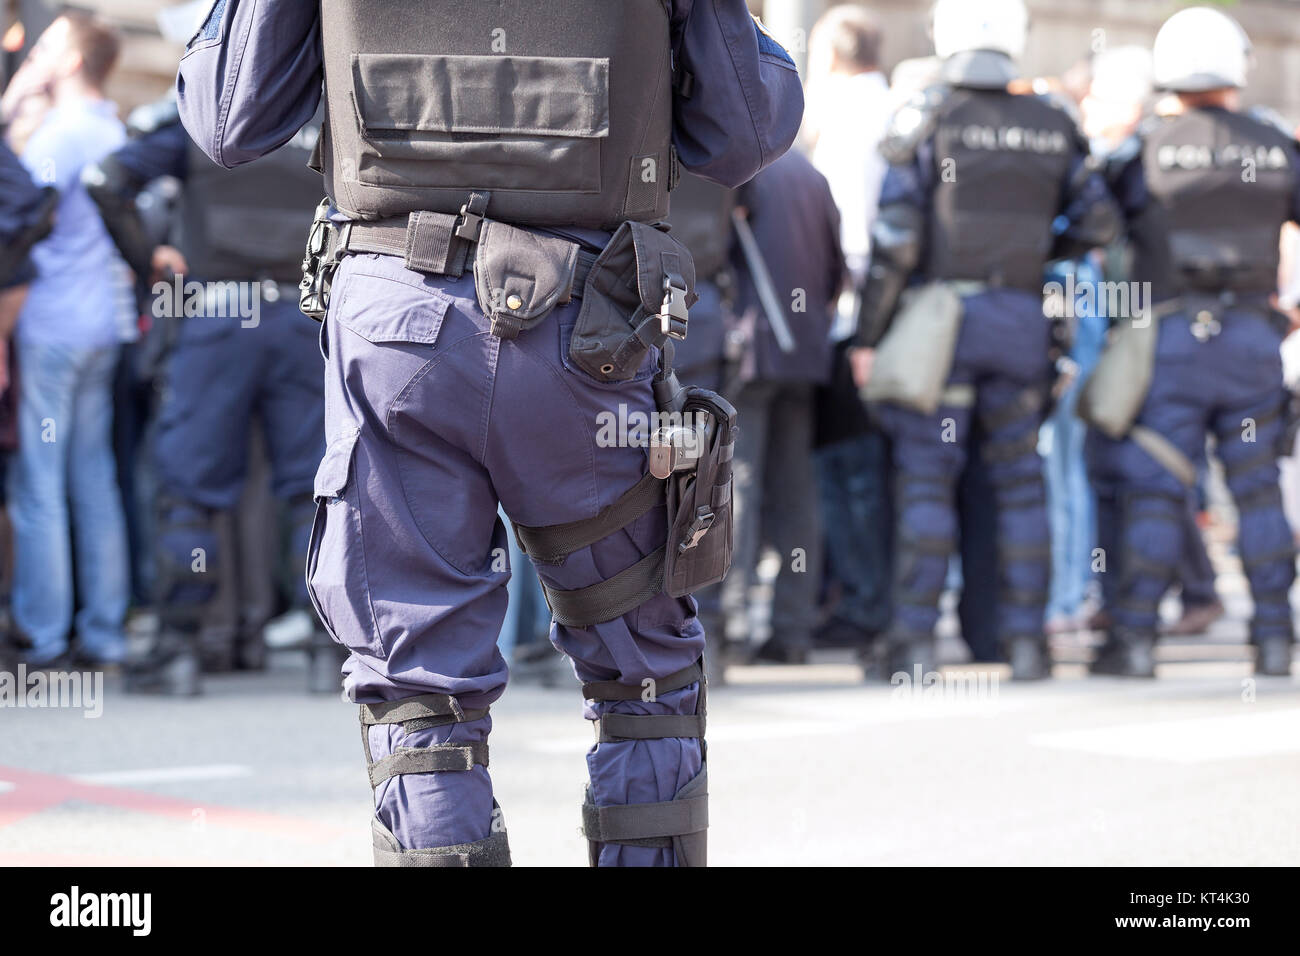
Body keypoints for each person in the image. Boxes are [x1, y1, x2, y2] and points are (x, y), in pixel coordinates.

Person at [178, 0, 802, 867]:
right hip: (588, 334)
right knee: (643, 674)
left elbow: (227, 118)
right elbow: (744, 133)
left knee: (418, 691)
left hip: (401, 328)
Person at [850, 0, 1121, 681]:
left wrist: (870, 334)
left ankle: (912, 644)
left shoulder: (927, 114)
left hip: (942, 322)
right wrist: (1036, 250)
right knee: (1021, 486)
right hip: (1021, 319)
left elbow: (895, 240)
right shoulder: (1054, 120)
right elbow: (1100, 224)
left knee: (925, 482)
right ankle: (1027, 645)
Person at [83, 84, 334, 695]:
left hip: (218, 317)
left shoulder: (203, 123)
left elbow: (103, 179)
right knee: (312, 488)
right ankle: (327, 648)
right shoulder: (326, 119)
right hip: (301, 317)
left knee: (190, 490)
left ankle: (177, 648)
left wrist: (149, 263)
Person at [1087, 6, 1300, 677]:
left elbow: (1089, 223)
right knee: (1258, 490)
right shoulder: (1275, 144)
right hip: (1251, 341)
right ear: (1238, 63)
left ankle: (1136, 643)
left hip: (1169, 339)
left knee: (1156, 490)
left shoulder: (1143, 147)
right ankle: (1272, 642)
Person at [3, 10, 130, 669]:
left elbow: (15, 206)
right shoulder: (111, 125)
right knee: (94, 477)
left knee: (39, 483)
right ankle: (104, 631)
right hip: (100, 323)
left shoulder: (64, 132)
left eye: (48, 46)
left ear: (73, 61)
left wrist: (11, 105)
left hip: (51, 322)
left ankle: (44, 633)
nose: (34, 54)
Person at [698, 149, 844, 672]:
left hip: (750, 349)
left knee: (739, 488)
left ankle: (726, 629)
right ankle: (793, 629)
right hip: (802, 353)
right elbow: (835, 273)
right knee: (794, 490)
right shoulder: (812, 174)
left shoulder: (730, 167)